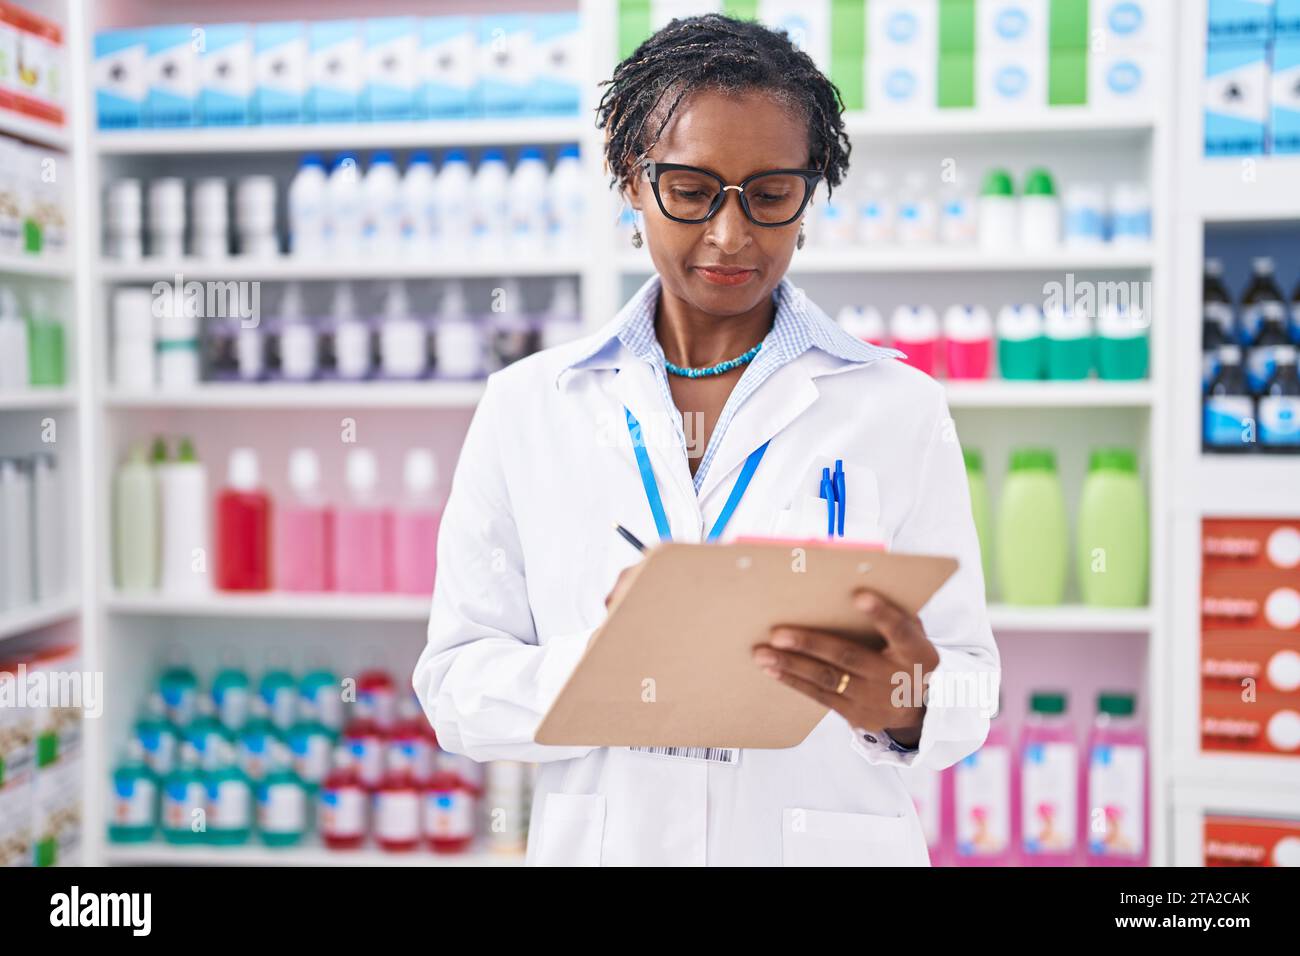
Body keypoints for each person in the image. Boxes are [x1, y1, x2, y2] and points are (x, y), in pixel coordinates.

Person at [413, 13, 999, 866]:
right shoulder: (528, 406)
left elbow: (972, 679)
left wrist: (907, 703)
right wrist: (609, 672)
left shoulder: (898, 408)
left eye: (770, 195)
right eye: (690, 191)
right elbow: (455, 685)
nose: (732, 235)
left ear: (810, 195)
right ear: (630, 178)